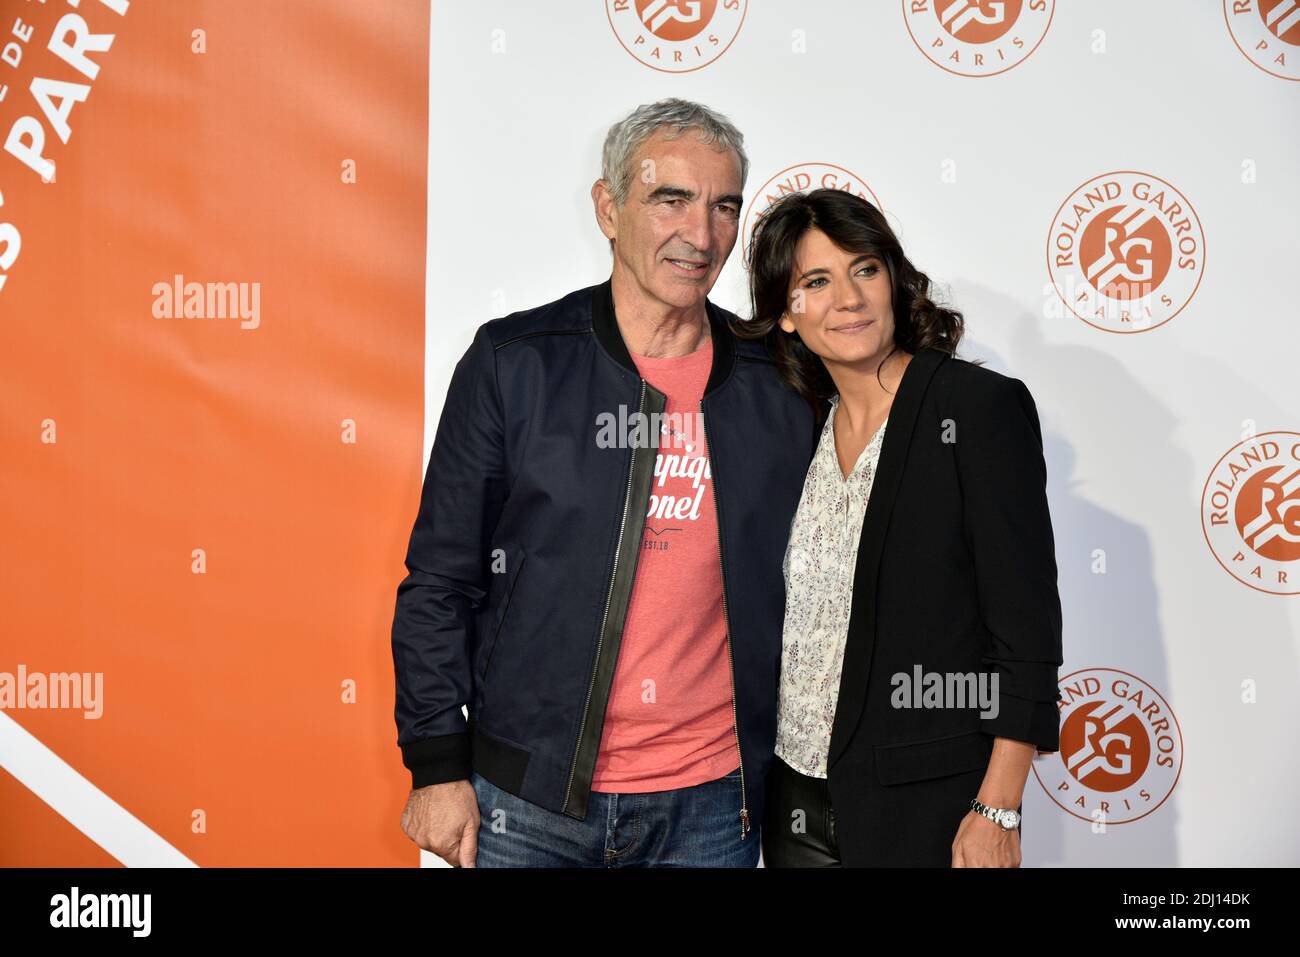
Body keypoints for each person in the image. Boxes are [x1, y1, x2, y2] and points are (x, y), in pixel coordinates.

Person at [390, 99, 813, 867]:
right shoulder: (516, 363)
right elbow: (439, 580)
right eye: (670, 199)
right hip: (529, 802)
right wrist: (436, 764)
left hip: (714, 804)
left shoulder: (776, 383)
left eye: (723, 206)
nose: (702, 234)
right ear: (609, 208)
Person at [736, 188, 1063, 867]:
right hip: (793, 801)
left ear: (894, 279)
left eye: (865, 269)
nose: (848, 298)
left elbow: (1026, 634)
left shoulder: (974, 410)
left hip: (930, 805)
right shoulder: (801, 427)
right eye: (816, 282)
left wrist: (997, 807)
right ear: (787, 316)